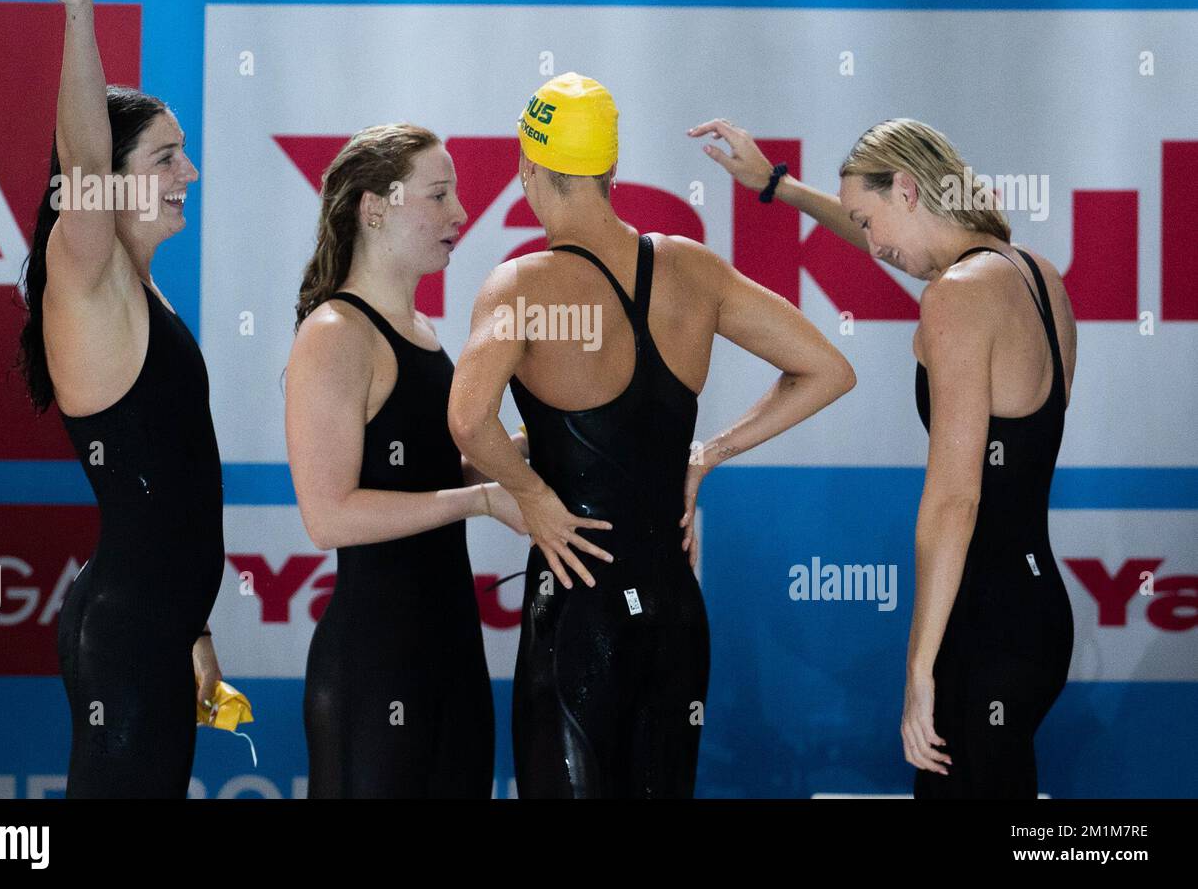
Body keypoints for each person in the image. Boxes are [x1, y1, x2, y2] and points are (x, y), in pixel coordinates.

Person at [448, 73, 856, 798]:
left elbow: (465, 422)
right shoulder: (691, 269)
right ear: (611, 170)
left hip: (577, 615)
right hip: (673, 612)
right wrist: (708, 453)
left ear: (526, 170)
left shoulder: (520, 286)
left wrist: (534, 496)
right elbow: (826, 368)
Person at [691, 116, 1077, 798]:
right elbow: (906, 246)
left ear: (907, 188)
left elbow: (956, 500)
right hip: (1034, 610)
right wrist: (778, 187)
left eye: (868, 220)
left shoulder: (956, 298)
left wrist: (919, 667)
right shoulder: (1033, 276)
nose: (869, 245)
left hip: (982, 623)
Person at [16, 0, 224, 798]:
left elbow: (173, 479)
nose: (193, 172)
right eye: (168, 156)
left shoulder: (141, 289)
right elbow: (84, 160)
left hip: (155, 623)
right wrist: (79, 11)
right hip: (127, 631)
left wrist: (193, 627)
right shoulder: (86, 266)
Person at [286, 123, 529, 798]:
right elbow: (328, 515)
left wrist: (535, 447)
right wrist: (480, 499)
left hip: (450, 651)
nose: (460, 213)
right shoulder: (336, 334)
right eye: (439, 194)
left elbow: (421, 482)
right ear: (375, 208)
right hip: (377, 663)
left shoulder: (422, 331)